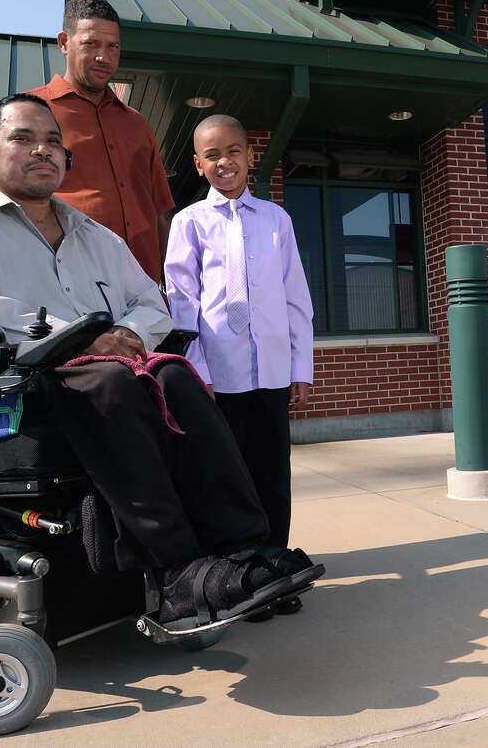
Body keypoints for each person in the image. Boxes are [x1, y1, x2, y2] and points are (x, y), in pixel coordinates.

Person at [0, 93, 317, 630]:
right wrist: (82, 340)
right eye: (24, 139)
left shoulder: (90, 233)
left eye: (54, 142)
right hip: (17, 379)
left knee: (174, 371)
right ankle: (178, 570)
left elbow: (152, 302)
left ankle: (243, 549)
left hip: (108, 367)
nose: (42, 150)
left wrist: (126, 332)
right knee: (111, 380)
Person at [164, 114, 314, 617]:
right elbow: (183, 302)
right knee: (230, 476)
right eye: (212, 155)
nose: (224, 162)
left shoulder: (276, 220)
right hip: (218, 377)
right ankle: (241, 577)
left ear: (250, 155)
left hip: (271, 370)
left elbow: (296, 297)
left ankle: (277, 569)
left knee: (272, 474)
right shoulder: (189, 223)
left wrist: (300, 366)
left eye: (233, 151)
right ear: (197, 164)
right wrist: (197, 369)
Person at [28, 0, 174, 284]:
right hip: (67, 292)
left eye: (113, 47)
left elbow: (158, 214)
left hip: (143, 297)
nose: (103, 58)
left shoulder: (137, 123)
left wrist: (176, 288)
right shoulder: (29, 114)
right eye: (91, 44)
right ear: (64, 42)